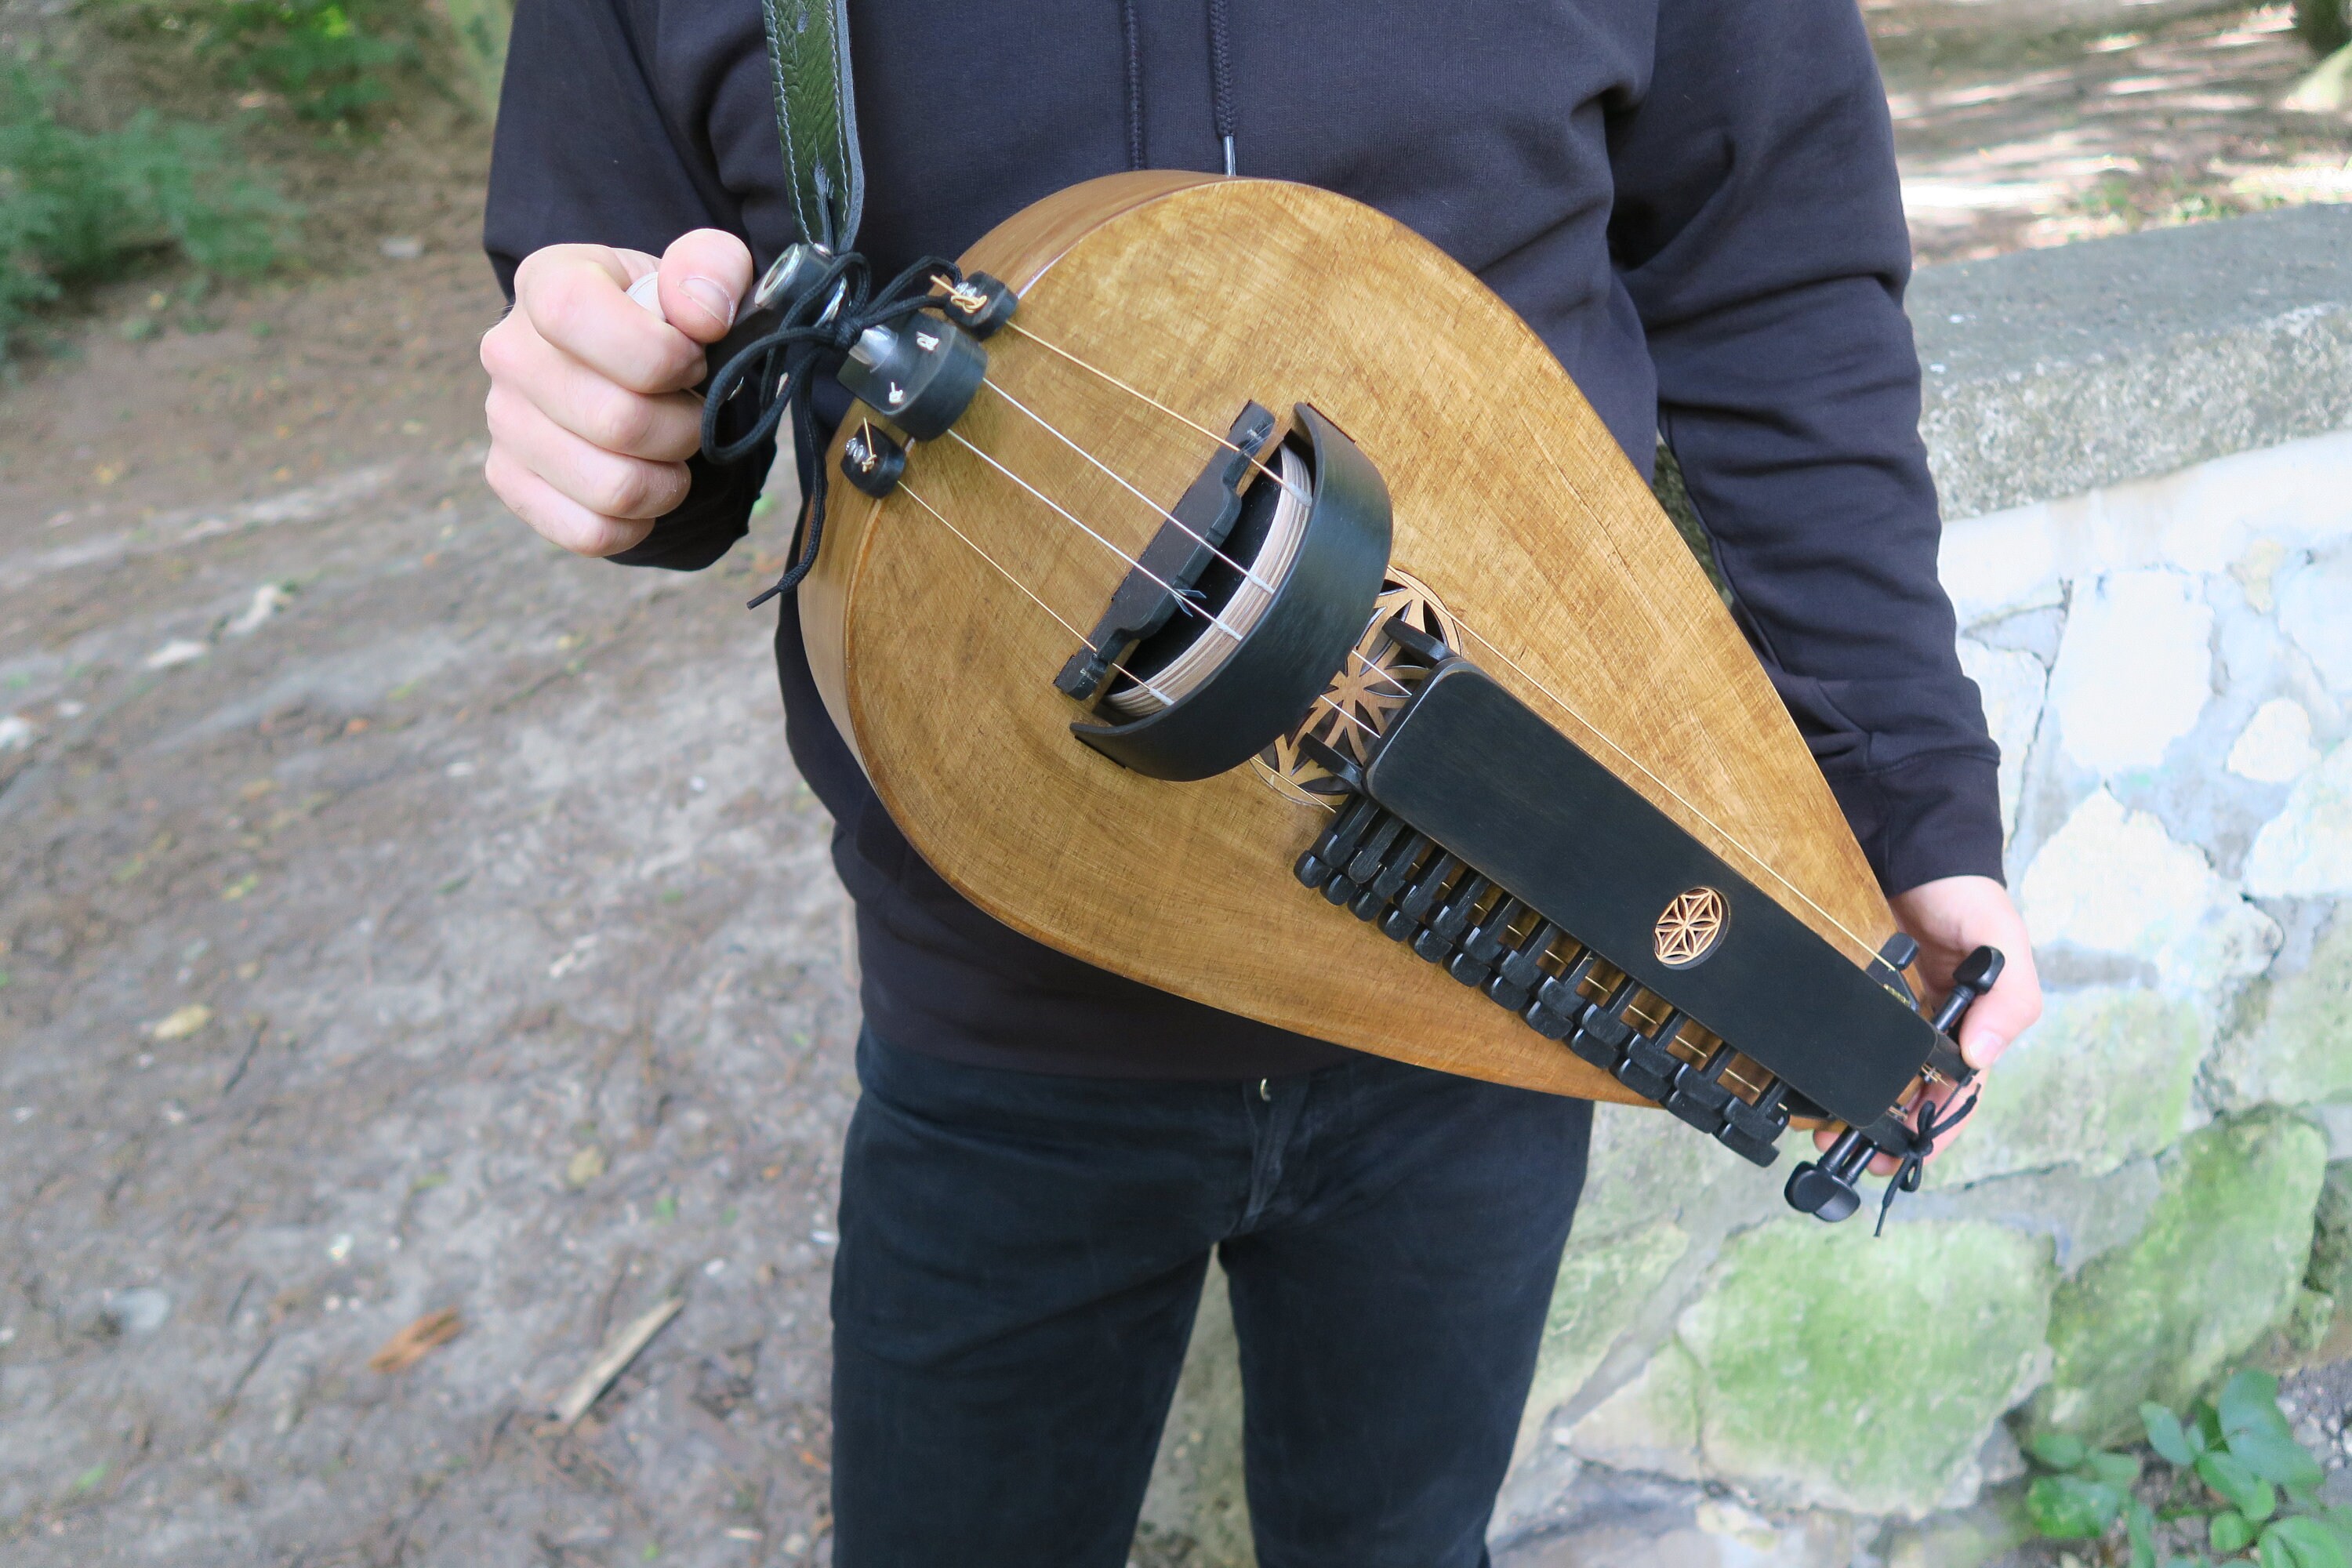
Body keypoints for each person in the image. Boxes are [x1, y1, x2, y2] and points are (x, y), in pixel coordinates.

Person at [477, 2, 2044, 1563]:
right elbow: (635, 323)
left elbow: (1774, 279)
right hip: (1002, 1005)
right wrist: (619, 411)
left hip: (1505, 962)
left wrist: (1902, 787)